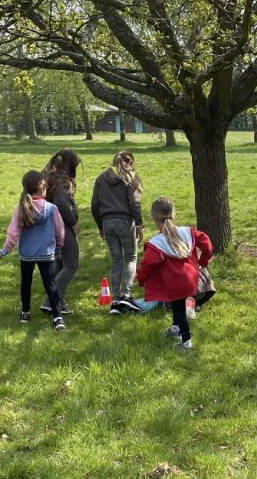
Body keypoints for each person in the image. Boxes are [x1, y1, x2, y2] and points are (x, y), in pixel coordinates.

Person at [136, 197, 212, 350]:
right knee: (179, 304)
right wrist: (202, 263)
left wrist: (140, 279)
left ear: (154, 219)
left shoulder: (157, 242)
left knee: (179, 310)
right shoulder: (187, 232)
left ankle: (186, 341)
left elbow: (147, 265)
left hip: (174, 283)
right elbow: (207, 245)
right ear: (173, 214)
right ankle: (176, 328)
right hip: (190, 279)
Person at [0, 170, 66, 330]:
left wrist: (5, 250)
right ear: (41, 186)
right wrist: (59, 247)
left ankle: (25, 313)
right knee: (50, 285)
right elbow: (60, 230)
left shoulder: (22, 208)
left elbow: (13, 233)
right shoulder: (52, 209)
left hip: (27, 255)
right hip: (46, 254)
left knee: (26, 284)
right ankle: (57, 318)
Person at [91, 150, 144, 313]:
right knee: (131, 257)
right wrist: (139, 223)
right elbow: (134, 202)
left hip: (107, 223)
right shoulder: (130, 177)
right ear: (131, 163)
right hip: (125, 222)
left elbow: (94, 205)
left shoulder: (101, 178)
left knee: (116, 260)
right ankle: (126, 296)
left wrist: (100, 225)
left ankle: (115, 301)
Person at [40, 168, 80, 315]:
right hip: (63, 227)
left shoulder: (51, 180)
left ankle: (57, 303)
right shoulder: (60, 183)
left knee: (60, 264)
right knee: (71, 264)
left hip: (52, 227)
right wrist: (73, 223)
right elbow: (61, 203)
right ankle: (51, 300)